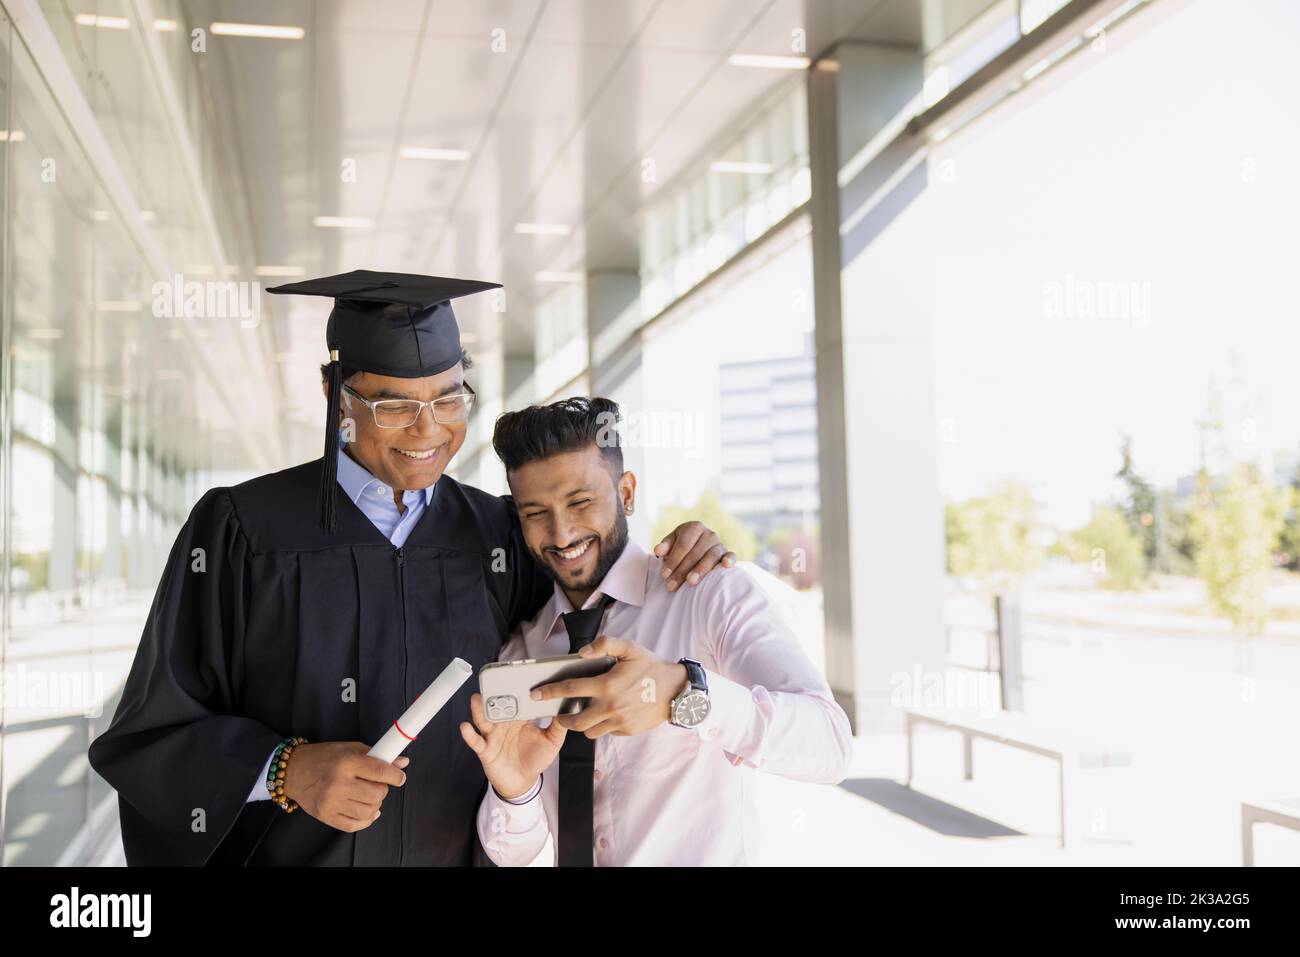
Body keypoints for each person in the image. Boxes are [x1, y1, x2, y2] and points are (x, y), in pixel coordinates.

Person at [87, 271, 734, 866]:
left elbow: (603, 622)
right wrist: (286, 769)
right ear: (336, 394)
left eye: (450, 398)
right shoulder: (241, 530)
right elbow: (153, 731)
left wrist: (674, 551)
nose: (429, 430)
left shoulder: (499, 533)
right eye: (394, 405)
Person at [461, 397, 852, 865]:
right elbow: (513, 853)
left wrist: (685, 695)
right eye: (535, 513)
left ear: (626, 493)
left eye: (581, 501)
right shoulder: (521, 652)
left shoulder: (707, 594)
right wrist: (517, 791)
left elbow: (830, 745)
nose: (562, 533)